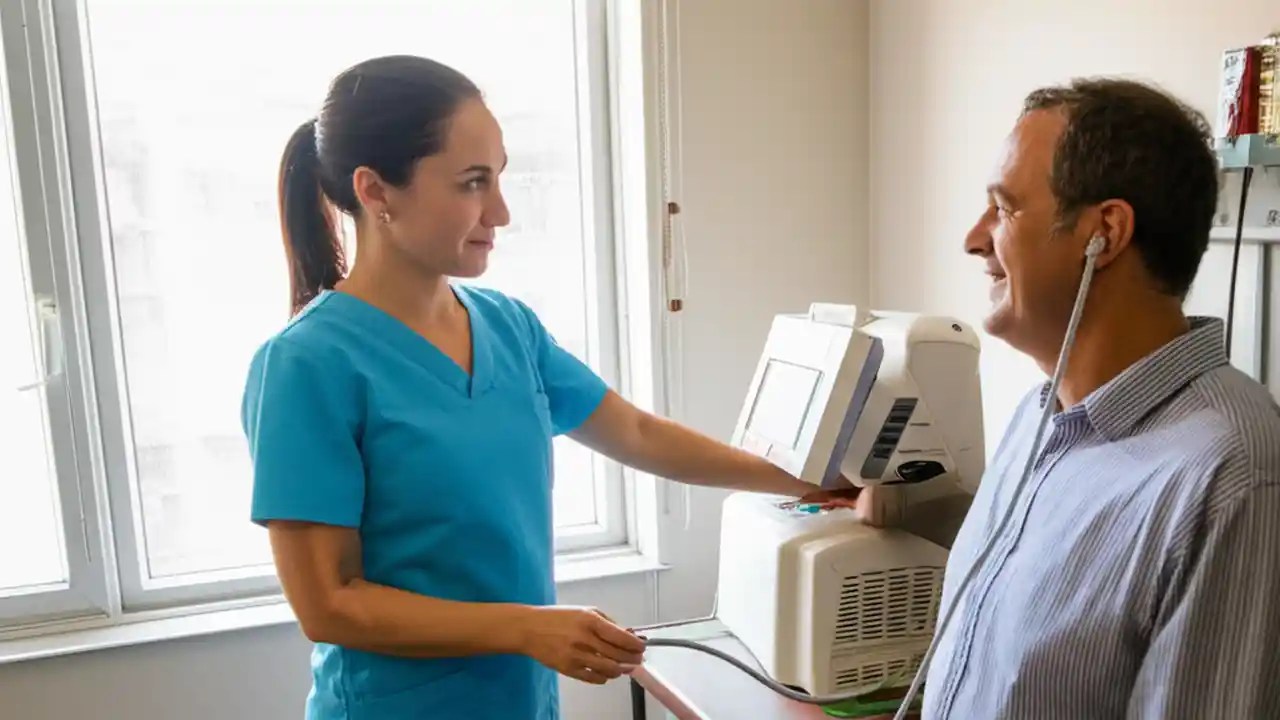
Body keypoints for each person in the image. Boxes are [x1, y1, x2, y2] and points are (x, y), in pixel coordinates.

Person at [241, 55, 868, 720]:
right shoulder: (307, 366)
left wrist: (812, 484)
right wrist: (527, 627)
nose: (501, 212)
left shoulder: (508, 327)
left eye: (499, 179)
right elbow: (330, 604)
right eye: (473, 183)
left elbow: (637, 433)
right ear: (376, 192)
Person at [926, 77, 1280, 719]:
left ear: (1105, 234)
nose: (975, 240)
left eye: (1004, 210)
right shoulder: (1039, 420)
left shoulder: (1231, 477)